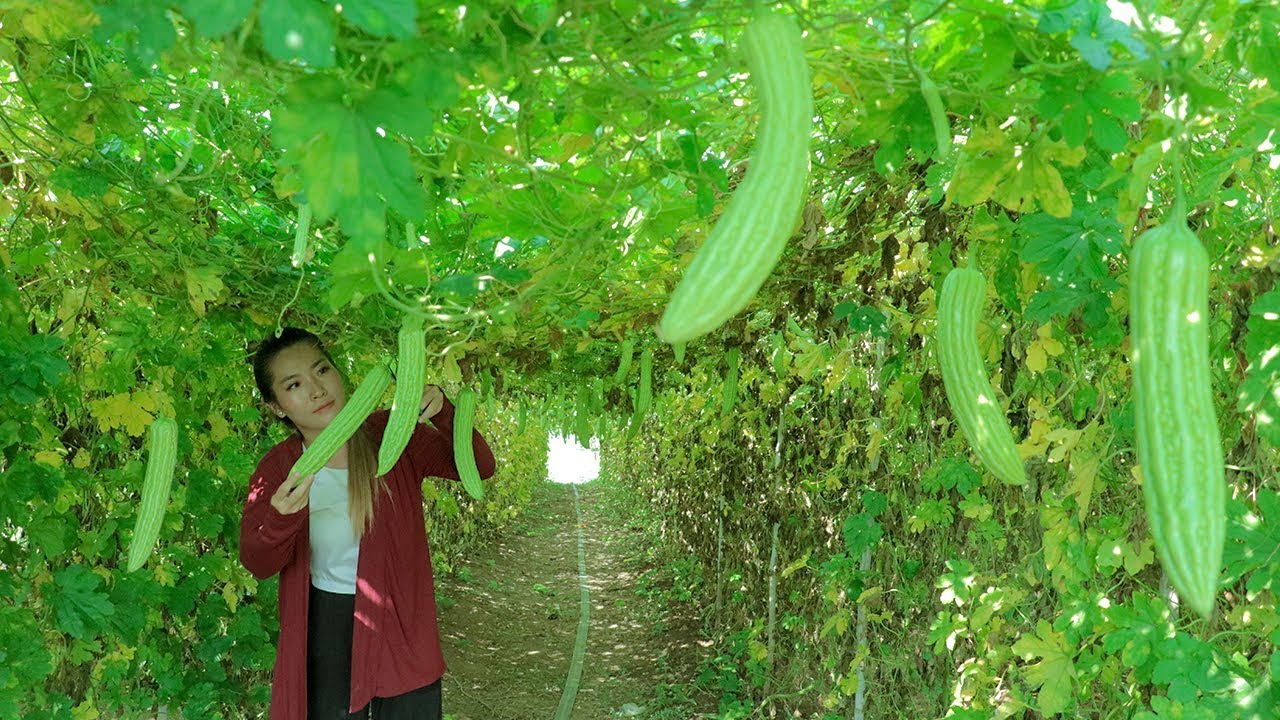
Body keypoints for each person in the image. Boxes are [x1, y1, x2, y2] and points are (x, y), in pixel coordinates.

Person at [239, 327, 496, 720]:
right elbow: (257, 562)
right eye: (294, 384)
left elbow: (480, 467)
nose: (316, 389)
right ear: (277, 406)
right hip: (326, 624)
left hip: (401, 620)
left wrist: (444, 412)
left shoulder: (389, 433)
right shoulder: (277, 468)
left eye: (321, 370)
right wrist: (280, 519)